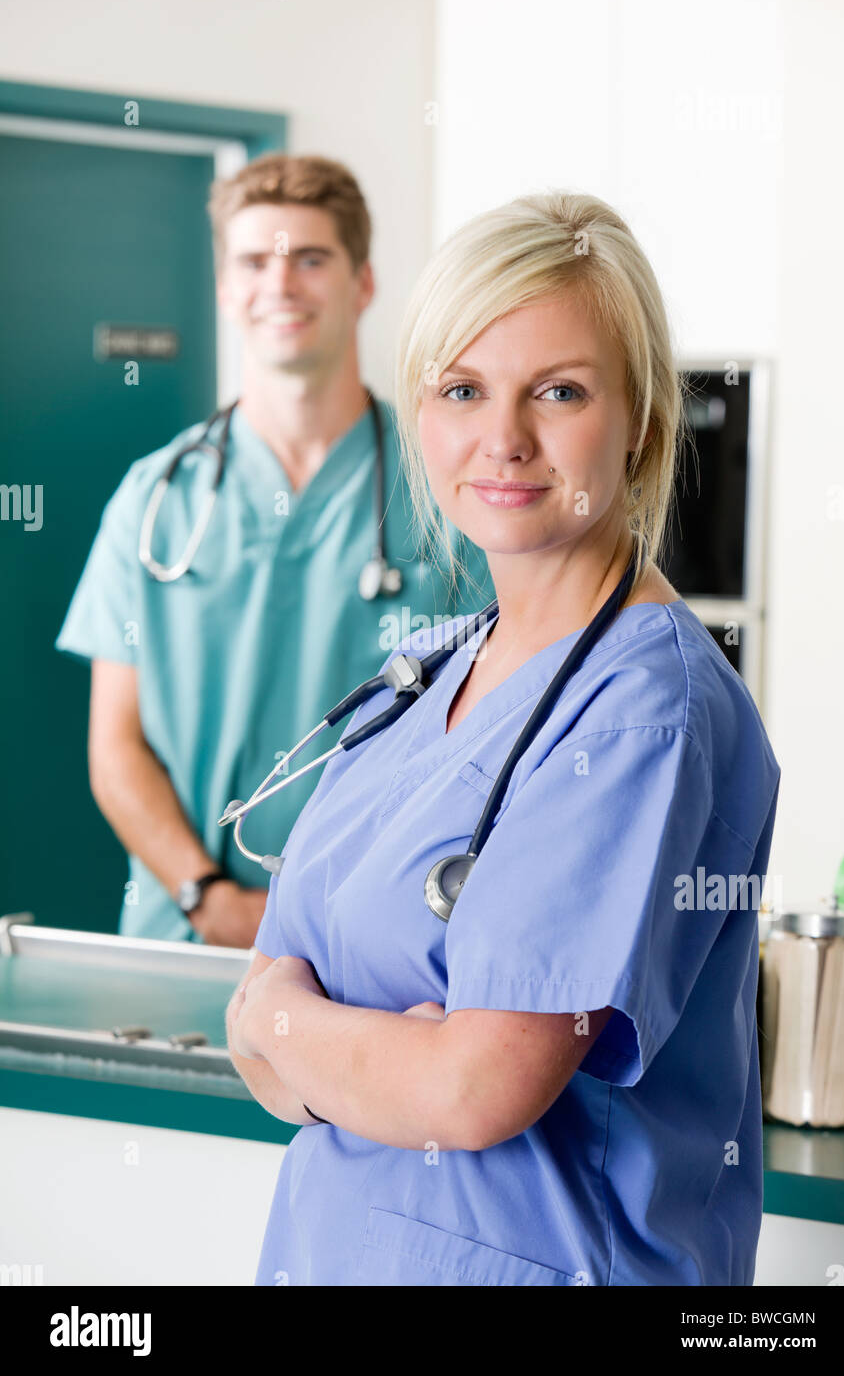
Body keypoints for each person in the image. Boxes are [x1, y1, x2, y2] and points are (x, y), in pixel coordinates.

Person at [225, 191, 781, 1286]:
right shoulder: (422, 670)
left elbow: (469, 1092)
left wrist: (299, 1022)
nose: (502, 439)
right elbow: (253, 1035)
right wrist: (326, 1032)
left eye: (558, 391)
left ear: (643, 421)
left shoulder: (641, 711)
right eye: (462, 389)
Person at [55, 153, 492, 948]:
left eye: (311, 258)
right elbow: (114, 744)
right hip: (182, 936)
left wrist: (348, 907)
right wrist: (207, 896)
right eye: (255, 260)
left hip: (370, 940)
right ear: (225, 286)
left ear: (363, 283)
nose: (280, 284)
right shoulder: (155, 499)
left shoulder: (447, 488)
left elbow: (493, 726)